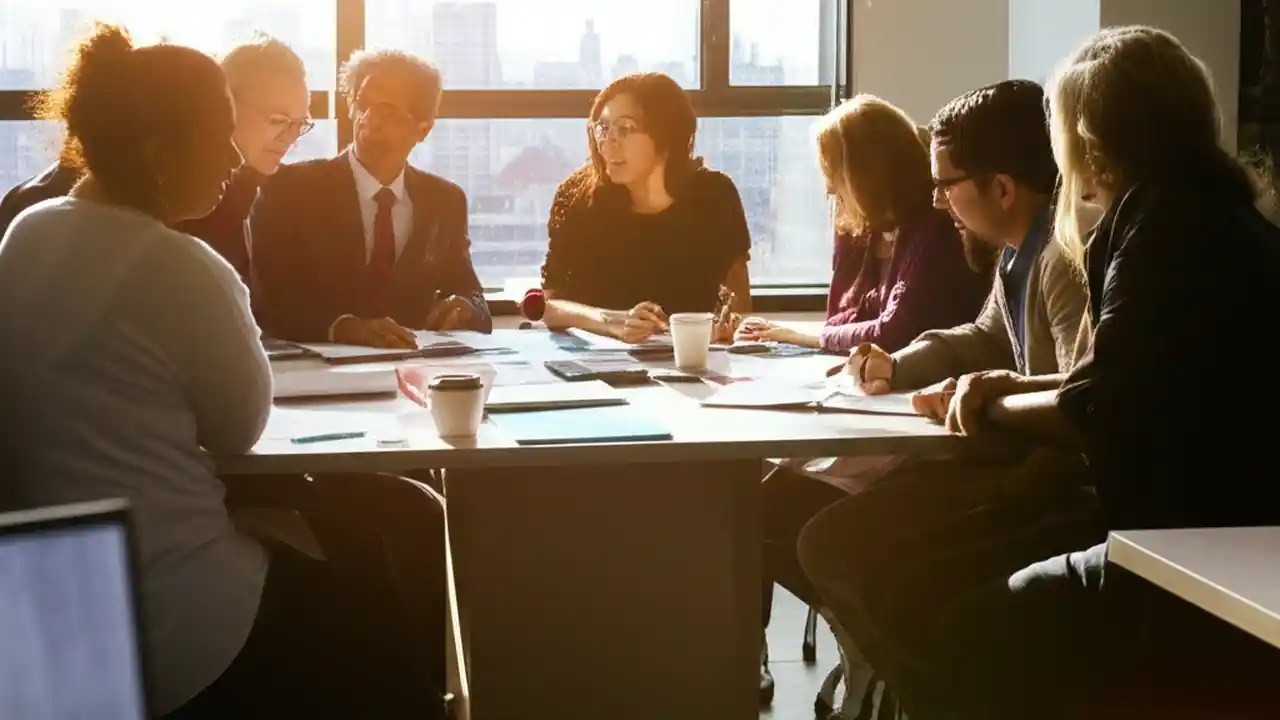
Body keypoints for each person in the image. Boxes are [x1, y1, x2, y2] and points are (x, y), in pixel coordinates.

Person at [799, 26, 1280, 719]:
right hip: (1221, 537)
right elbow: (1107, 382)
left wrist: (988, 403)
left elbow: (1094, 407)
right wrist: (995, 388)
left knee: (952, 624)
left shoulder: (1157, 231)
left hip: (1178, 551)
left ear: (1092, 143)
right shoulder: (1216, 215)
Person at [756, 82, 1086, 714]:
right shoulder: (1016, 252)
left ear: (1002, 188)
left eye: (945, 185)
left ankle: (919, 689)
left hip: (1035, 480)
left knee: (837, 545)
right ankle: (904, 682)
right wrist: (898, 364)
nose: (937, 201)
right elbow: (983, 335)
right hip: (999, 458)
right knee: (815, 531)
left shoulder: (1060, 259)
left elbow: (1081, 397)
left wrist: (988, 399)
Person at [0, 33, 311, 285]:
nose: (291, 137)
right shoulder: (57, 201)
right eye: (278, 120)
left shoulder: (250, 194)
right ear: (225, 101)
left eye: (301, 124)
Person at [250, 49, 491, 346]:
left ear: (423, 129)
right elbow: (267, 299)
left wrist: (467, 308)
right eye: (363, 104)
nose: (368, 119)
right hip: (317, 366)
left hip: (413, 365)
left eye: (386, 111)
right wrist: (343, 328)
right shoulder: (290, 189)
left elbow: (472, 294)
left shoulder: (445, 201)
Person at [737, 95, 988, 354]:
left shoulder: (934, 229)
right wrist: (785, 333)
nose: (831, 190)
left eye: (835, 176)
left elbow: (892, 332)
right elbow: (869, 309)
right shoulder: (897, 229)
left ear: (863, 175)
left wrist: (811, 338)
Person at [540, 72, 751, 343]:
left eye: (625, 129)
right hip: (598, 356)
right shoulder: (578, 196)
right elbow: (549, 305)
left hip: (690, 354)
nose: (608, 142)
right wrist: (611, 321)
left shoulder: (715, 195)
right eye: (602, 128)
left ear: (666, 135)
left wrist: (730, 329)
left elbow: (738, 298)